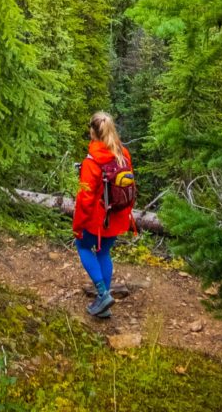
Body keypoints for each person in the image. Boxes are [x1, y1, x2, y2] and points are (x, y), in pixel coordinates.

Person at [72, 110, 137, 318]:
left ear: (93, 132)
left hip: (97, 221)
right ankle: (103, 303)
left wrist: (78, 226)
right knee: (103, 253)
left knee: (82, 246)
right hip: (118, 217)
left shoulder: (92, 162)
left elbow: (85, 199)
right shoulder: (123, 153)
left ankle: (102, 293)